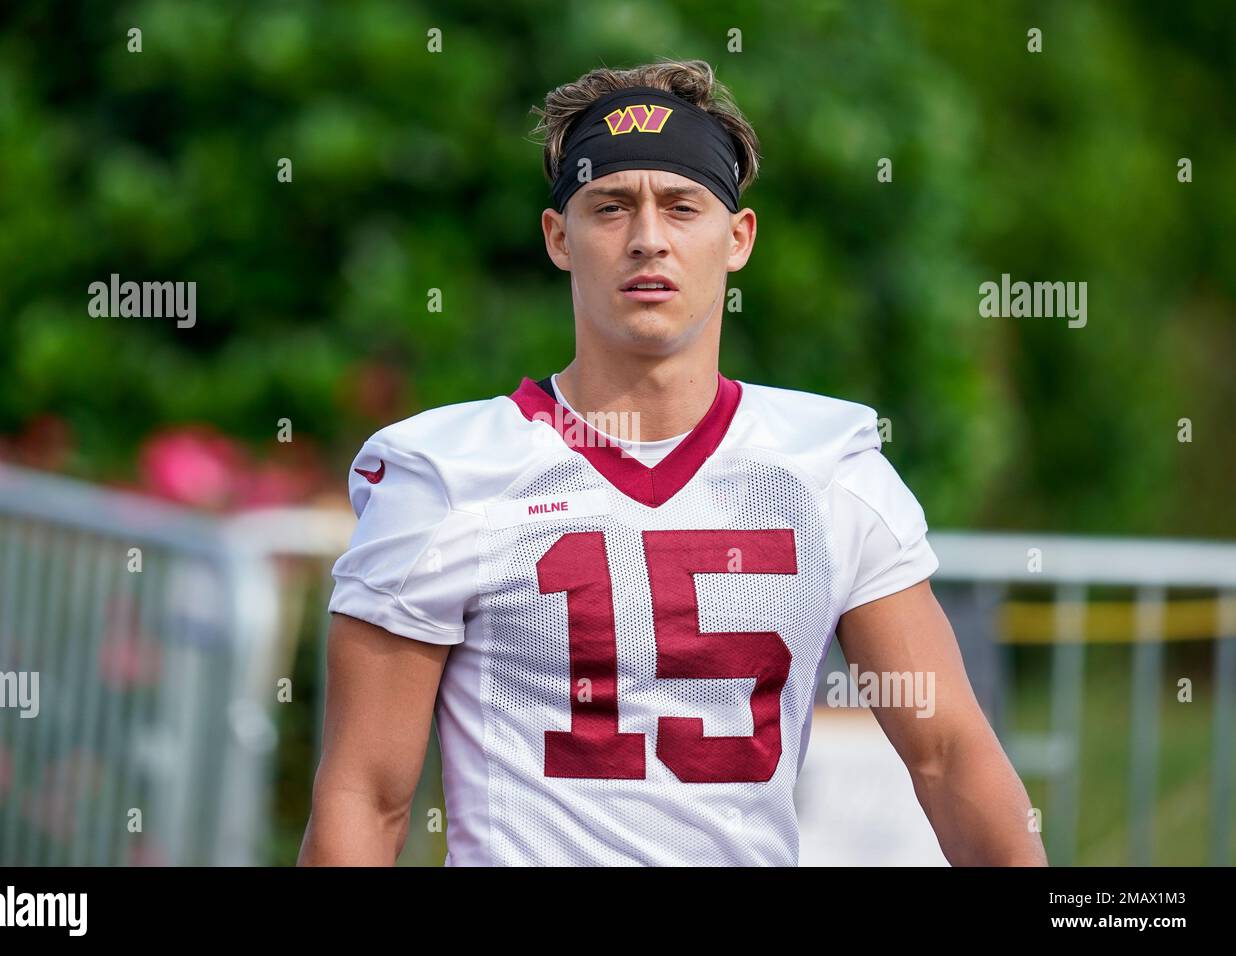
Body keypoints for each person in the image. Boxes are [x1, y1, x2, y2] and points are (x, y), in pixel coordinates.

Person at [298, 59, 1046, 867]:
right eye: (610, 207)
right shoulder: (445, 474)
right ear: (559, 238)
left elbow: (949, 755)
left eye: (682, 206)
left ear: (738, 239)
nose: (647, 237)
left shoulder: (827, 468)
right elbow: (365, 798)